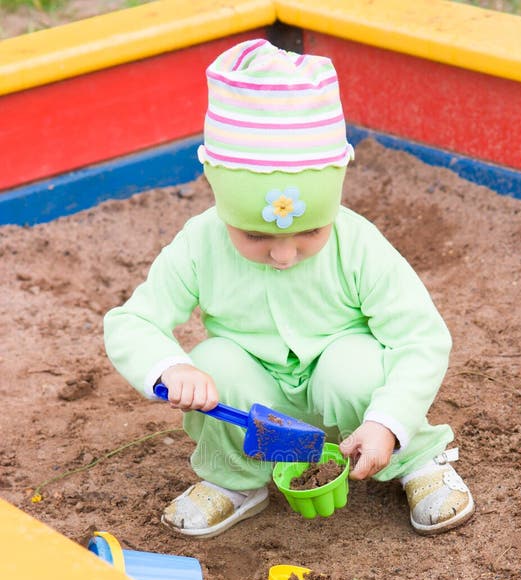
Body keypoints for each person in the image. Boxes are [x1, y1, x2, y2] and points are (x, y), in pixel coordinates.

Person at [104, 38, 474, 539]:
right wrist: (171, 366)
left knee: (353, 366)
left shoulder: (358, 243)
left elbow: (420, 338)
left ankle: (414, 460)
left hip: (348, 398)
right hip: (253, 399)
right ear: (219, 195)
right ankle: (235, 478)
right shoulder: (201, 241)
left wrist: (387, 421)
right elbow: (133, 321)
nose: (283, 254)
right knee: (215, 360)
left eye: (311, 232)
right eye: (255, 235)